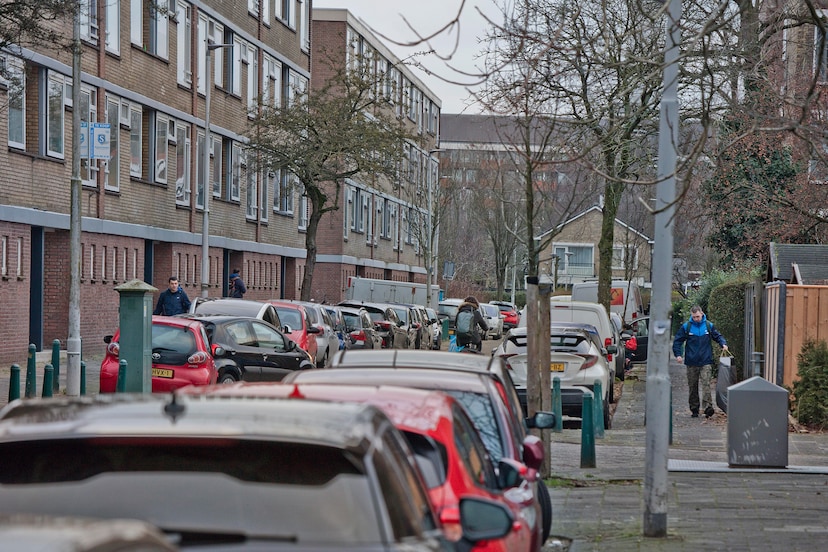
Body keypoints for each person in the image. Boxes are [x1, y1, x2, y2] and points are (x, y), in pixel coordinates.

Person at [673, 305, 729, 418]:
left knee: (706, 384)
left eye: (697, 316)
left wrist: (723, 344)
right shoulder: (687, 327)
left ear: (702, 314)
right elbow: (678, 341)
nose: (696, 319)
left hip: (705, 360)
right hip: (691, 361)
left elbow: (717, 336)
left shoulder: (708, 326)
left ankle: (708, 407)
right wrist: (678, 354)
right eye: (694, 317)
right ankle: (694, 408)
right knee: (693, 386)